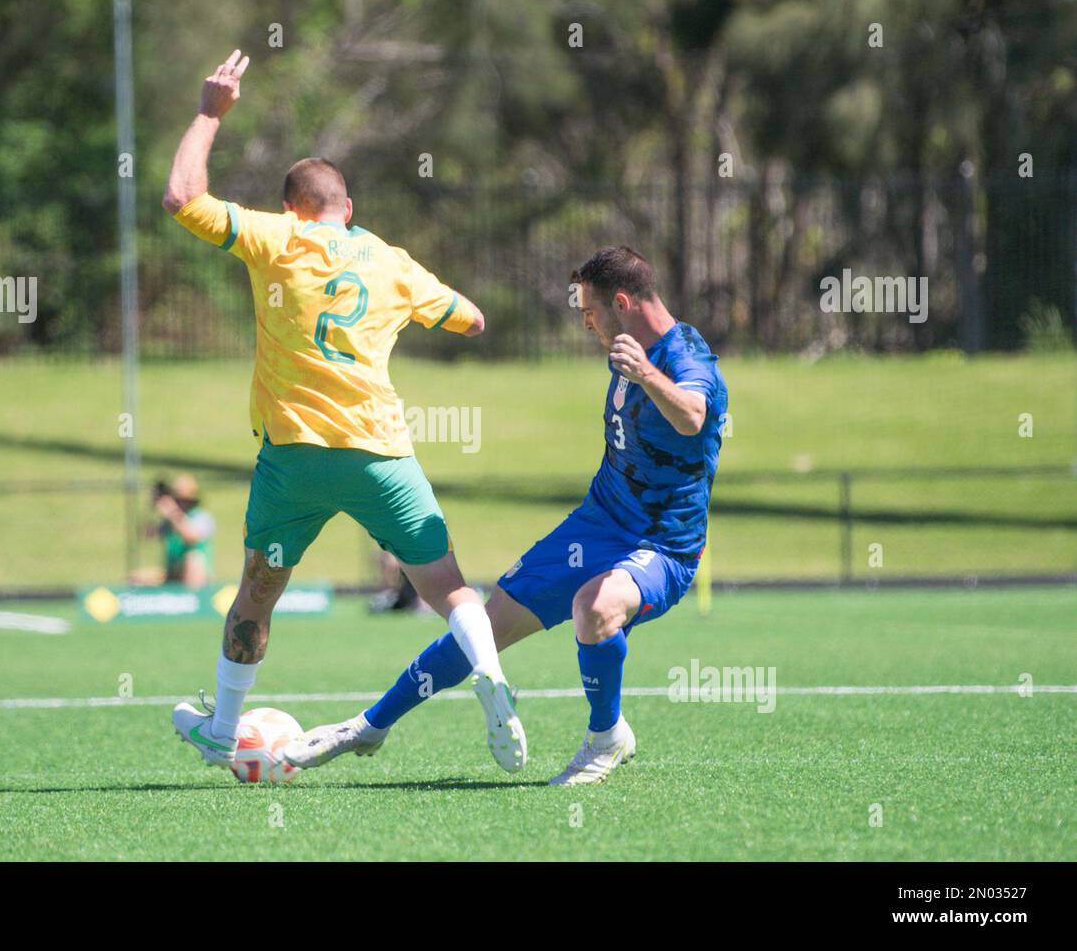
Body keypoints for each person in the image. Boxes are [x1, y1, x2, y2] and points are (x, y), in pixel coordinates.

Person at [162, 50, 525, 775]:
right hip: (380, 455)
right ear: (347, 209)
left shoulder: (276, 237)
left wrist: (210, 111)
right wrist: (416, 309)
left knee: (256, 598)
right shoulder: (390, 260)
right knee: (448, 586)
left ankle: (222, 728)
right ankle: (490, 674)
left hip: (294, 460)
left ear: (291, 207)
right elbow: (474, 321)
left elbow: (181, 198)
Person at [286, 246, 728, 786]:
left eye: (589, 313)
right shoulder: (629, 349)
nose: (586, 324)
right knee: (484, 629)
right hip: (598, 525)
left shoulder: (685, 354)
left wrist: (646, 376)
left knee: (596, 607)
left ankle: (606, 736)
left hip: (663, 545)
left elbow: (694, 416)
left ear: (621, 302)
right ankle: (369, 726)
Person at [129, 473, 215, 589]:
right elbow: (147, 534)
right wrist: (153, 507)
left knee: (193, 558)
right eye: (176, 499)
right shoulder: (169, 521)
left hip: (195, 575)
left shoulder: (201, 517)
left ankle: (194, 598)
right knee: (135, 579)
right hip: (172, 572)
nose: (179, 503)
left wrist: (171, 511)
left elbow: (191, 537)